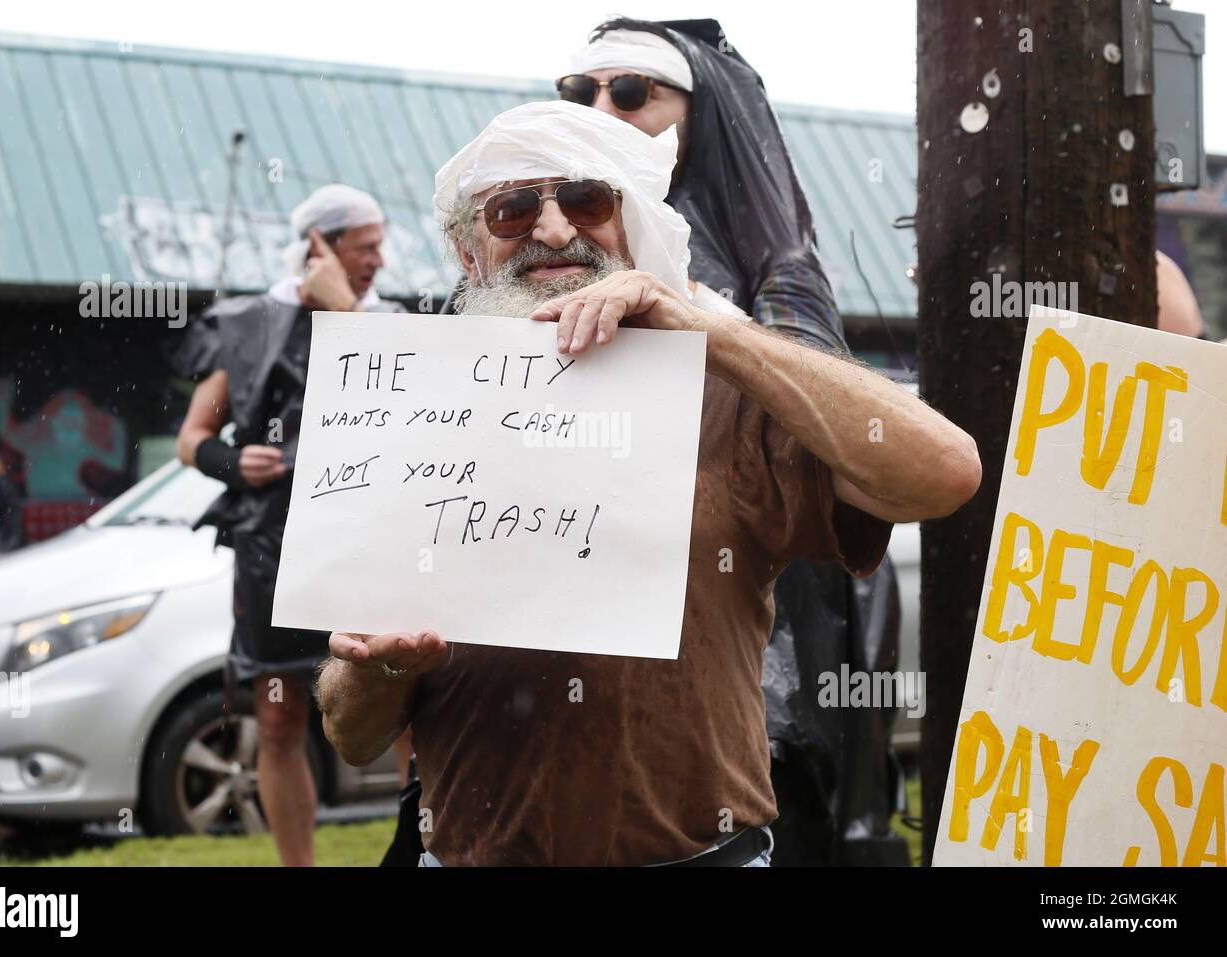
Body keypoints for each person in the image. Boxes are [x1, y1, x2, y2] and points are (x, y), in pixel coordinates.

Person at [317, 101, 982, 866]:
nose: (556, 230)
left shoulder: (725, 391)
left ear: (632, 222)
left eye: (587, 200)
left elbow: (947, 472)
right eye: (512, 209)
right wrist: (375, 674)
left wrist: (703, 323)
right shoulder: (407, 417)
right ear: (471, 255)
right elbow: (351, 732)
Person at [557, 17, 907, 863]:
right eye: (580, 90)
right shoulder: (546, 233)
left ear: (697, 112)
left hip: (740, 617)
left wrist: (700, 316)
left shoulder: (770, 261)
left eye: (633, 91)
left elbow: (826, 429)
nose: (603, 106)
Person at [172, 184, 405, 866]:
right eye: (367, 248)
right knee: (278, 715)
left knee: (401, 702)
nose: (380, 263)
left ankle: (416, 846)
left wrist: (344, 307)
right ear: (318, 247)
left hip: (371, 540)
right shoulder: (246, 326)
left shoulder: (387, 321)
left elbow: (411, 402)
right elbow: (191, 435)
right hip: (272, 550)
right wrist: (227, 458)